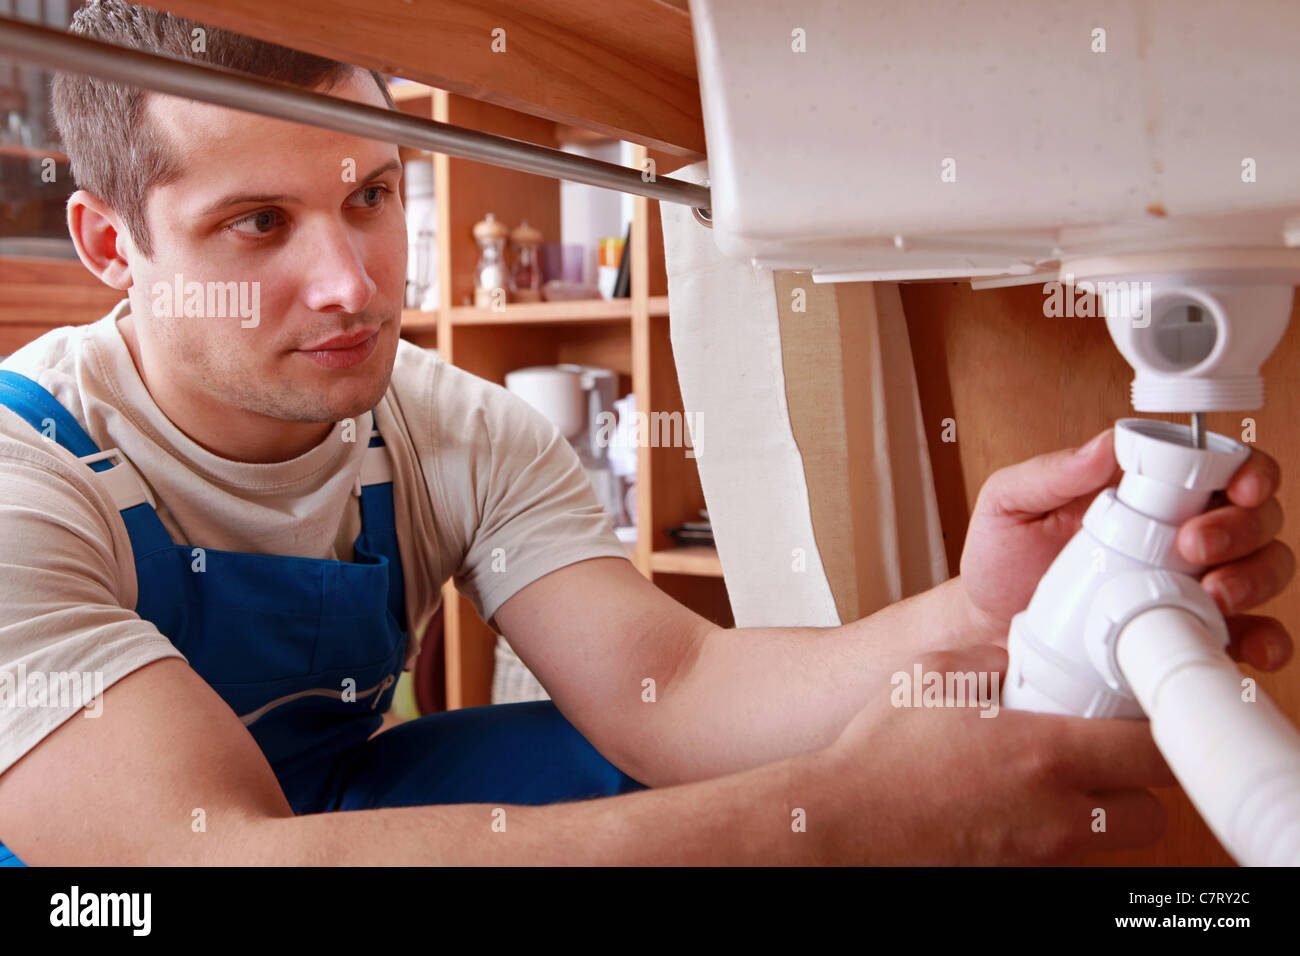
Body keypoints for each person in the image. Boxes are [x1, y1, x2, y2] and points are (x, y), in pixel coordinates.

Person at [0, 0, 1292, 866]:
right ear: (114, 245)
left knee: (618, 768)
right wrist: (839, 824)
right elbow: (193, 859)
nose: (353, 284)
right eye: (259, 225)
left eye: (373, 197)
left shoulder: (447, 424)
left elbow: (675, 693)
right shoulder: (25, 473)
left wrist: (984, 616)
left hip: (324, 818)